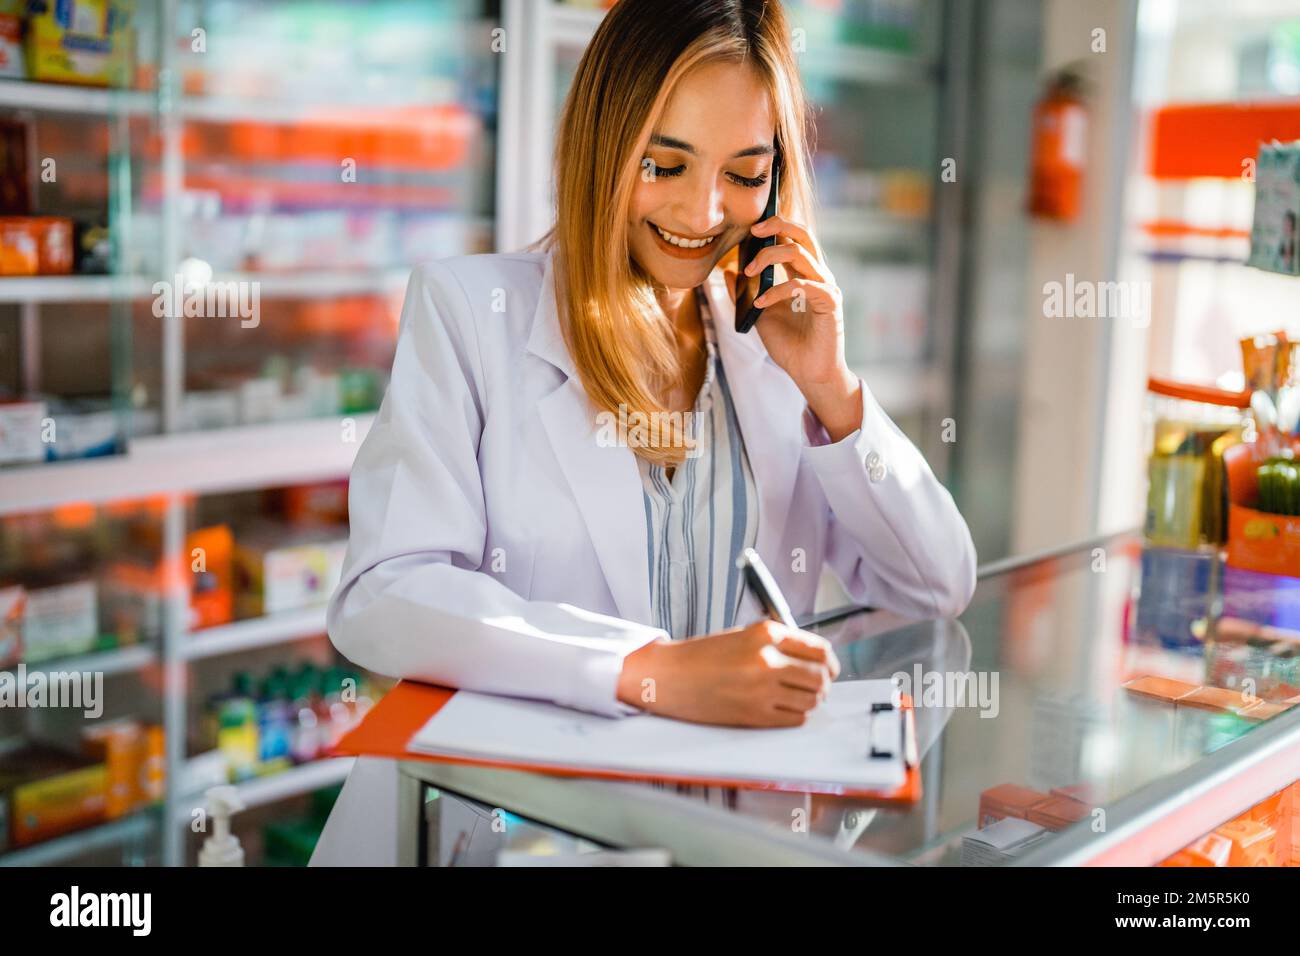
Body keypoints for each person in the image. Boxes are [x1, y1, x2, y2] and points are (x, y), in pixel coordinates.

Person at [313, 0, 976, 866]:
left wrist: (832, 387)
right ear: (603, 146)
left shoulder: (770, 347)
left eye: (744, 173)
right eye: (665, 164)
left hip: (718, 838)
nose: (704, 212)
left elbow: (937, 587)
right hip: (529, 832)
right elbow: (385, 597)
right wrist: (650, 670)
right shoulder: (473, 313)